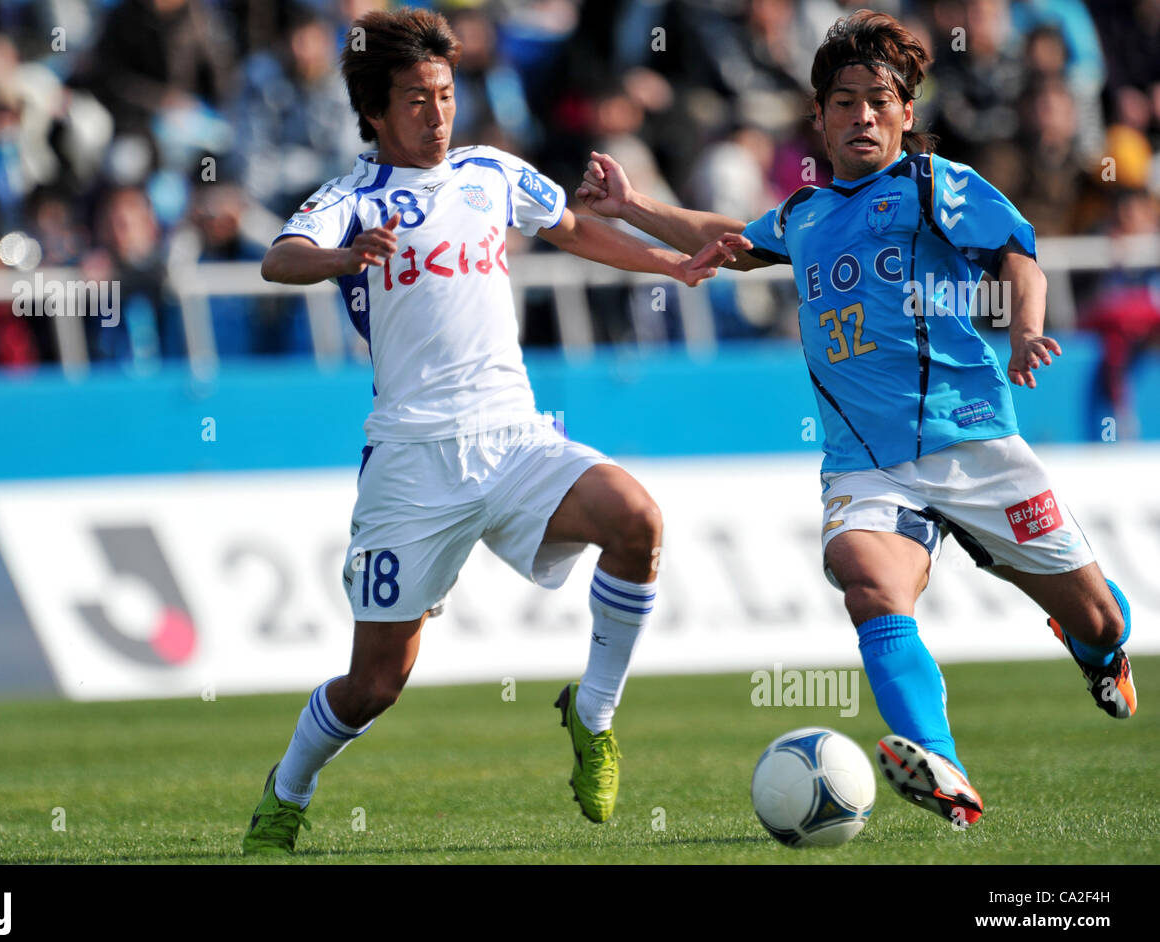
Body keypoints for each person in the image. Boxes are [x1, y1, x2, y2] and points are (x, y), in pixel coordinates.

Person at [577, 9, 1135, 829]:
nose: (862, 115)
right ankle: (942, 764)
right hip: (865, 460)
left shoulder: (931, 183)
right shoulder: (802, 215)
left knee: (1101, 615)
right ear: (819, 119)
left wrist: (1023, 326)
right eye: (844, 102)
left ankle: (1094, 643)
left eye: (880, 100)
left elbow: (1016, 252)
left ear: (907, 114)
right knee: (866, 579)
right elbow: (727, 237)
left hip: (974, 438)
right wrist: (632, 206)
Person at [243, 7, 714, 856]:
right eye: (417, 98)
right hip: (412, 461)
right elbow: (280, 257)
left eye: (446, 92)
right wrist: (343, 257)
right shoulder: (351, 199)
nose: (437, 111)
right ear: (376, 114)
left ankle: (594, 714)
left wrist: (669, 262)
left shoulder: (491, 173)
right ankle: (289, 788)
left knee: (638, 521)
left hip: (515, 436)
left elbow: (572, 230)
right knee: (376, 684)